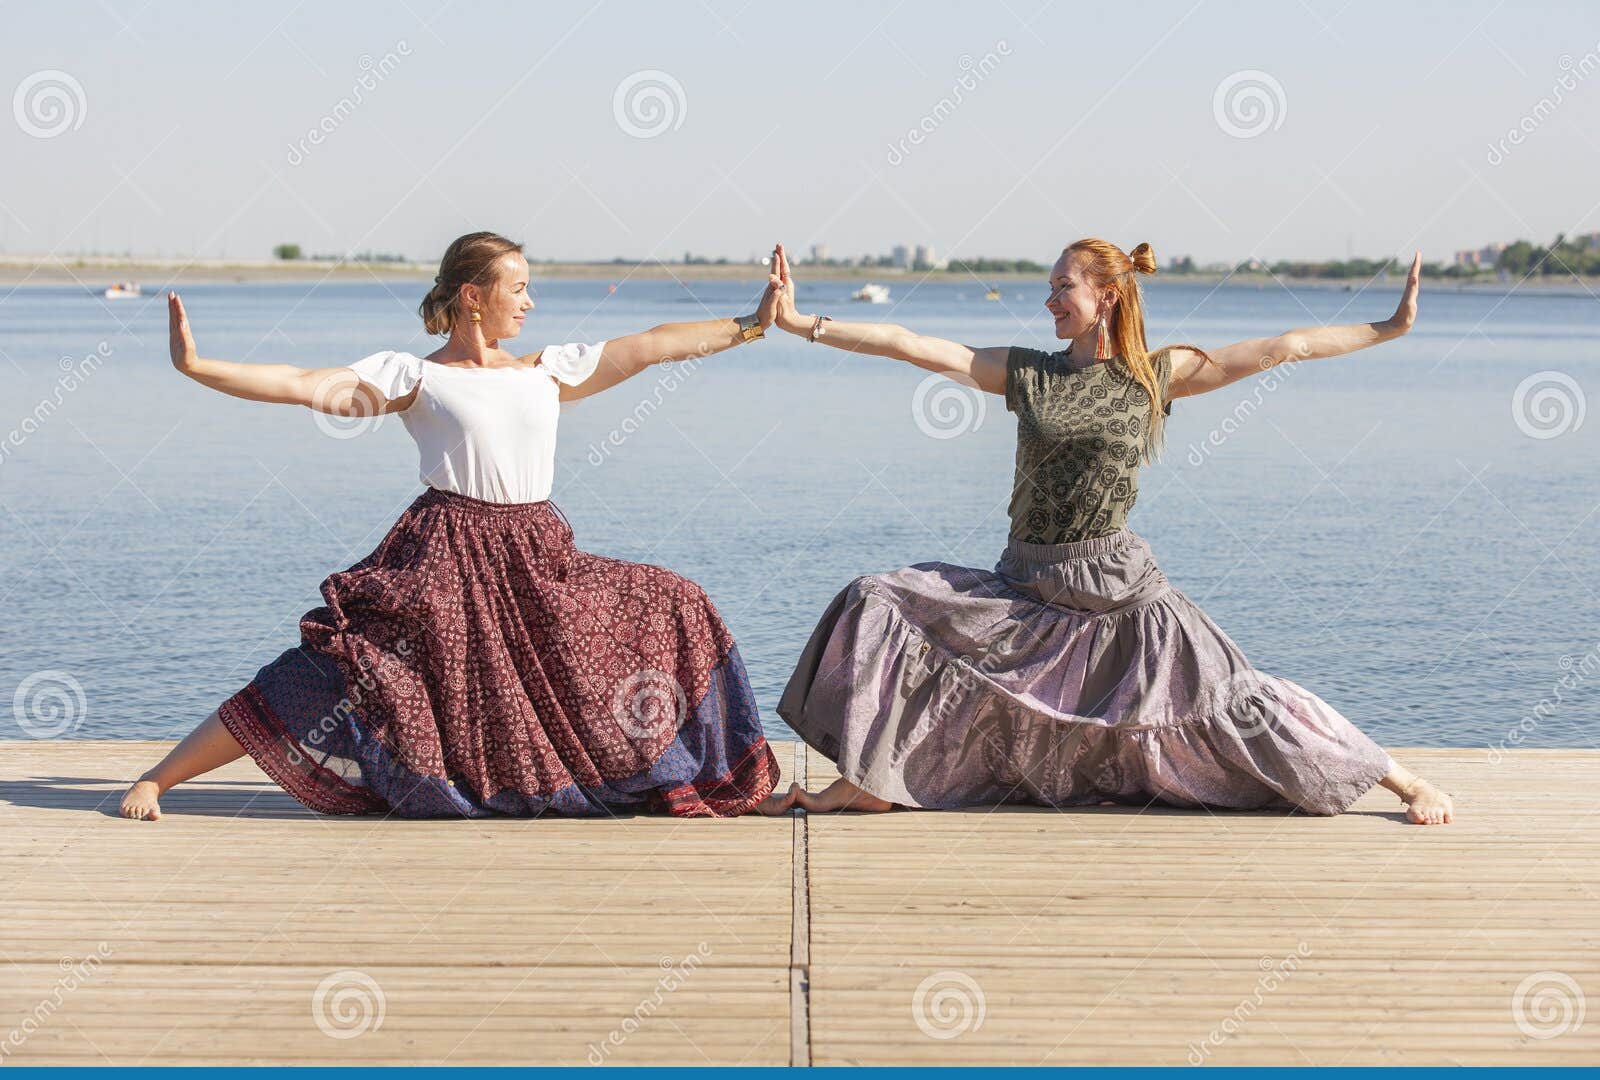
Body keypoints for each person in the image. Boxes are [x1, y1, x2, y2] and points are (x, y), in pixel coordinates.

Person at [770, 240, 1454, 825]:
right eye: (1050, 289)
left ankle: (1398, 776)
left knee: (1242, 703)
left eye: (1063, 287)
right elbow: (915, 346)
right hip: (1027, 587)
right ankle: (871, 782)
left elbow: (1286, 346)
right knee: (879, 600)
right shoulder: (1030, 373)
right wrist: (803, 323)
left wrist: (1388, 327)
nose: (1050, 302)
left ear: (1108, 297)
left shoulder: (1156, 377)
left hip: (1123, 600)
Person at [119, 231, 791, 820]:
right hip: (444, 555)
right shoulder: (415, 377)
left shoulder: (546, 370)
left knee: (675, 599)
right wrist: (198, 366)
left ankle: (705, 769)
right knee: (336, 667)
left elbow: (651, 345)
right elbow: (302, 381)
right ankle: (160, 776)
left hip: (536, 554)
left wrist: (752, 324)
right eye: (518, 288)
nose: (529, 303)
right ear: (474, 295)